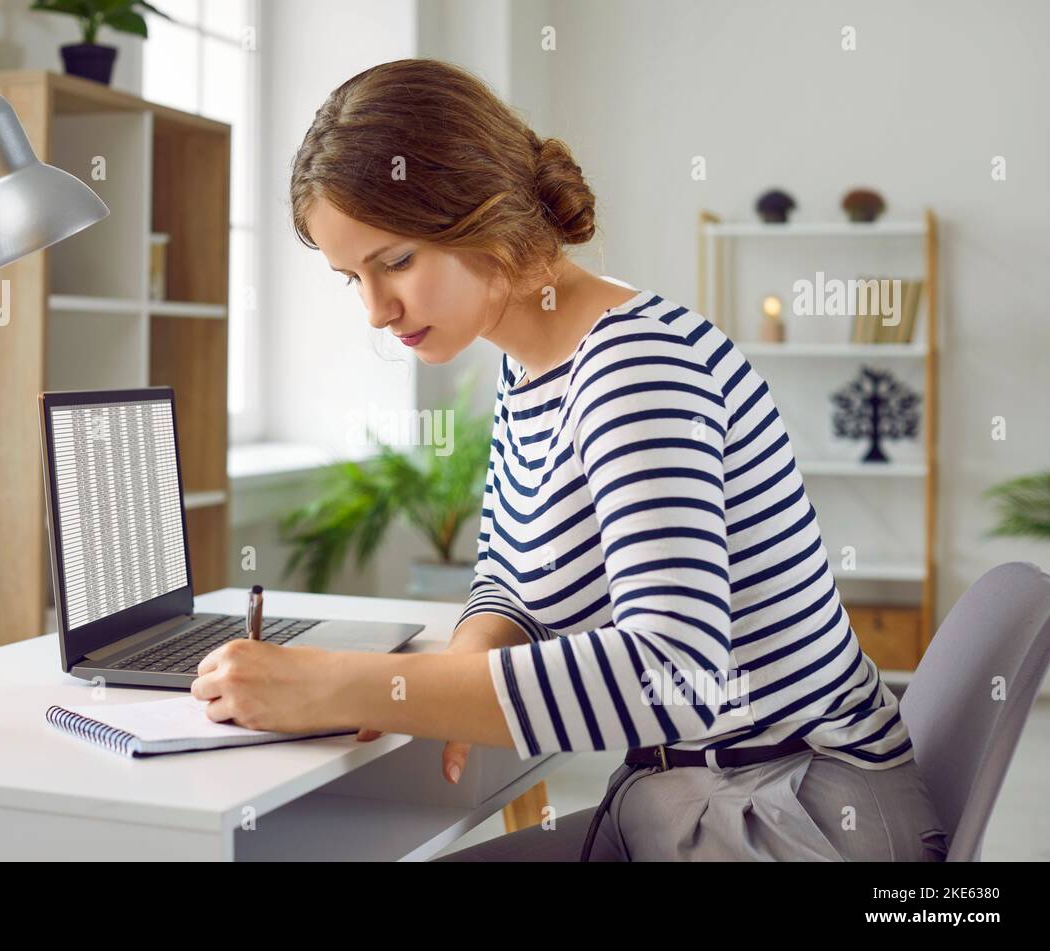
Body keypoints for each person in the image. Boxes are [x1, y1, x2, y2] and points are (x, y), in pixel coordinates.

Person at [189, 58, 950, 862]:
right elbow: (508, 574)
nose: (377, 310)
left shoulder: (635, 368)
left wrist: (344, 685)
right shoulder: (532, 366)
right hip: (701, 796)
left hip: (793, 812)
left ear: (482, 212)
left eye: (397, 261)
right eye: (352, 278)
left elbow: (675, 674)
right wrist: (465, 660)